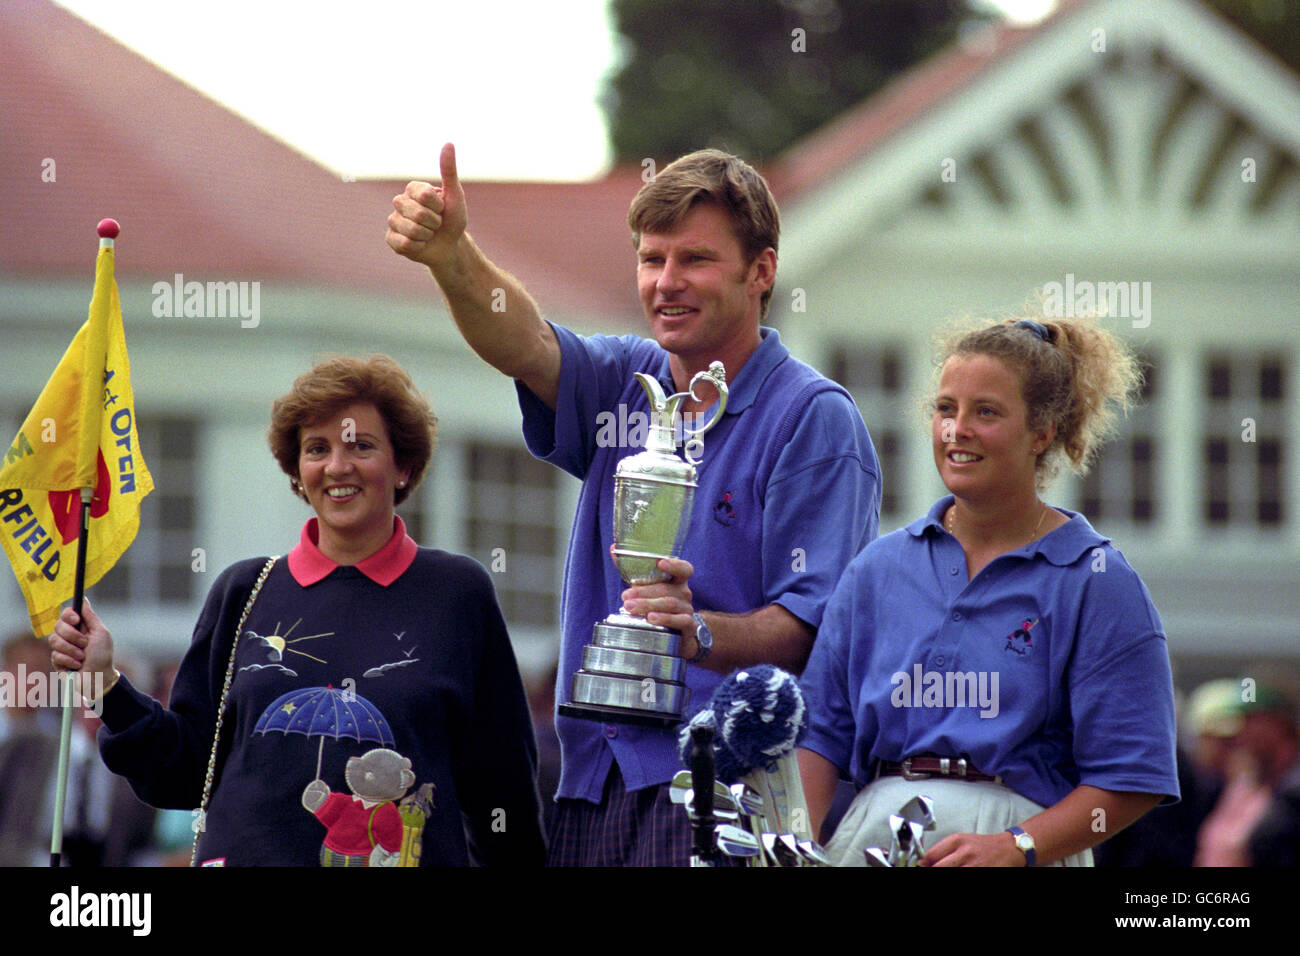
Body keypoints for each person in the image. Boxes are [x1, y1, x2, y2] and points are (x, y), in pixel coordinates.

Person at [387, 144, 881, 865]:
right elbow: (523, 343)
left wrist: (699, 633)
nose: (666, 283)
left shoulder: (813, 418)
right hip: (594, 780)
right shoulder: (627, 380)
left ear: (762, 271)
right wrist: (451, 255)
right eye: (652, 260)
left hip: (725, 789)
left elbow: (819, 627)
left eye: (695, 261)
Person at [50, 356, 545, 866]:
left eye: (361, 446)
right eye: (317, 449)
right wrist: (104, 685)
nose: (336, 466)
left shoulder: (457, 592)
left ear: (404, 466)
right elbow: (183, 774)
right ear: (297, 469)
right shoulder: (242, 591)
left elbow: (502, 791)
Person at [797, 315, 1179, 866]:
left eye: (987, 412)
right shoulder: (877, 569)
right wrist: (797, 847)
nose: (957, 430)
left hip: (1022, 847)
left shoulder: (1096, 580)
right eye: (946, 409)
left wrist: (1017, 846)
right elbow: (820, 735)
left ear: (1042, 432)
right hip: (871, 837)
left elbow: (1133, 776)